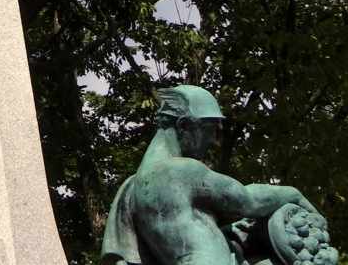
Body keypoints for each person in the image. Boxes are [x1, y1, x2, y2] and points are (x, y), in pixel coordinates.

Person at [103, 85, 315, 265]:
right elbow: (248, 200)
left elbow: (193, 233)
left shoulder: (135, 184)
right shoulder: (177, 170)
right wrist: (293, 194)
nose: (213, 140)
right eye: (209, 129)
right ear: (183, 125)